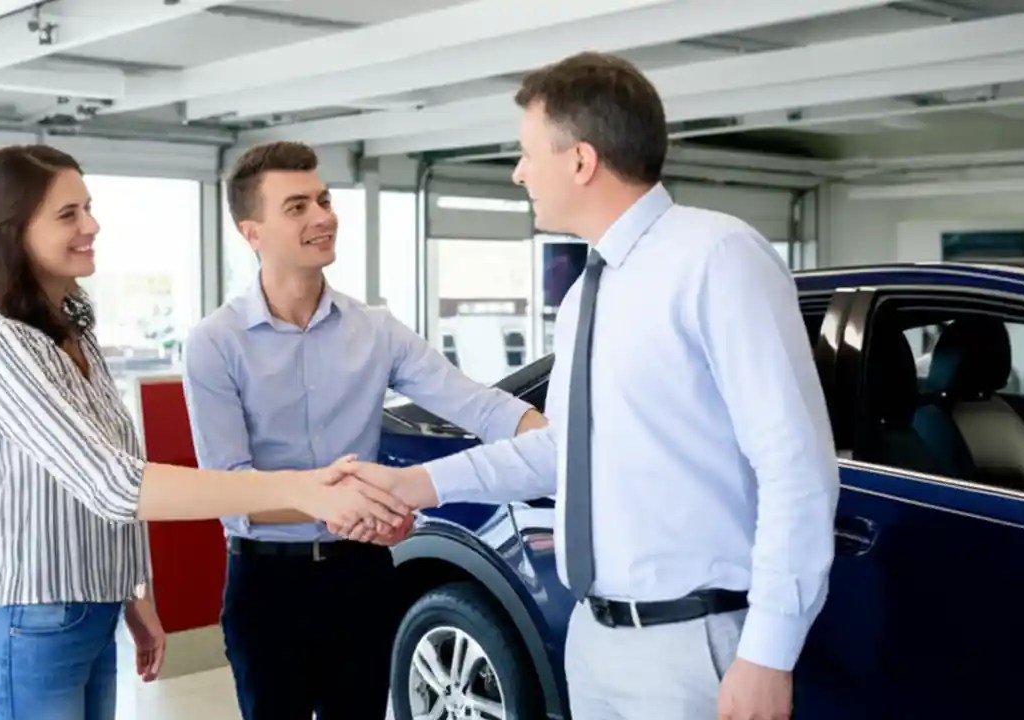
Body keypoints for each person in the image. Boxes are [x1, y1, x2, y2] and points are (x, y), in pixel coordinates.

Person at [345, 52, 839, 720]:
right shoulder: (587, 293)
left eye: (526, 153)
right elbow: (559, 453)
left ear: (580, 161)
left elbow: (796, 468)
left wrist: (769, 653)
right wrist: (414, 486)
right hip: (592, 636)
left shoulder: (717, 258)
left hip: (692, 644)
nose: (519, 172)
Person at [0, 144, 409, 720]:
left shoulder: (72, 334)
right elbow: (115, 483)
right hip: (21, 626)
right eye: (68, 215)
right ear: (13, 231)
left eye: (87, 207)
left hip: (88, 614)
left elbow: (110, 469)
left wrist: (135, 593)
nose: (92, 225)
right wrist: (300, 489)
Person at [182, 140, 546, 720]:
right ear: (253, 233)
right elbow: (231, 487)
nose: (323, 216)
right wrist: (341, 505)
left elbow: (476, 404)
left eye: (324, 200)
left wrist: (555, 438)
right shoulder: (214, 343)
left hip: (364, 575)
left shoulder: (376, 329)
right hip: (267, 584)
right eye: (297, 207)